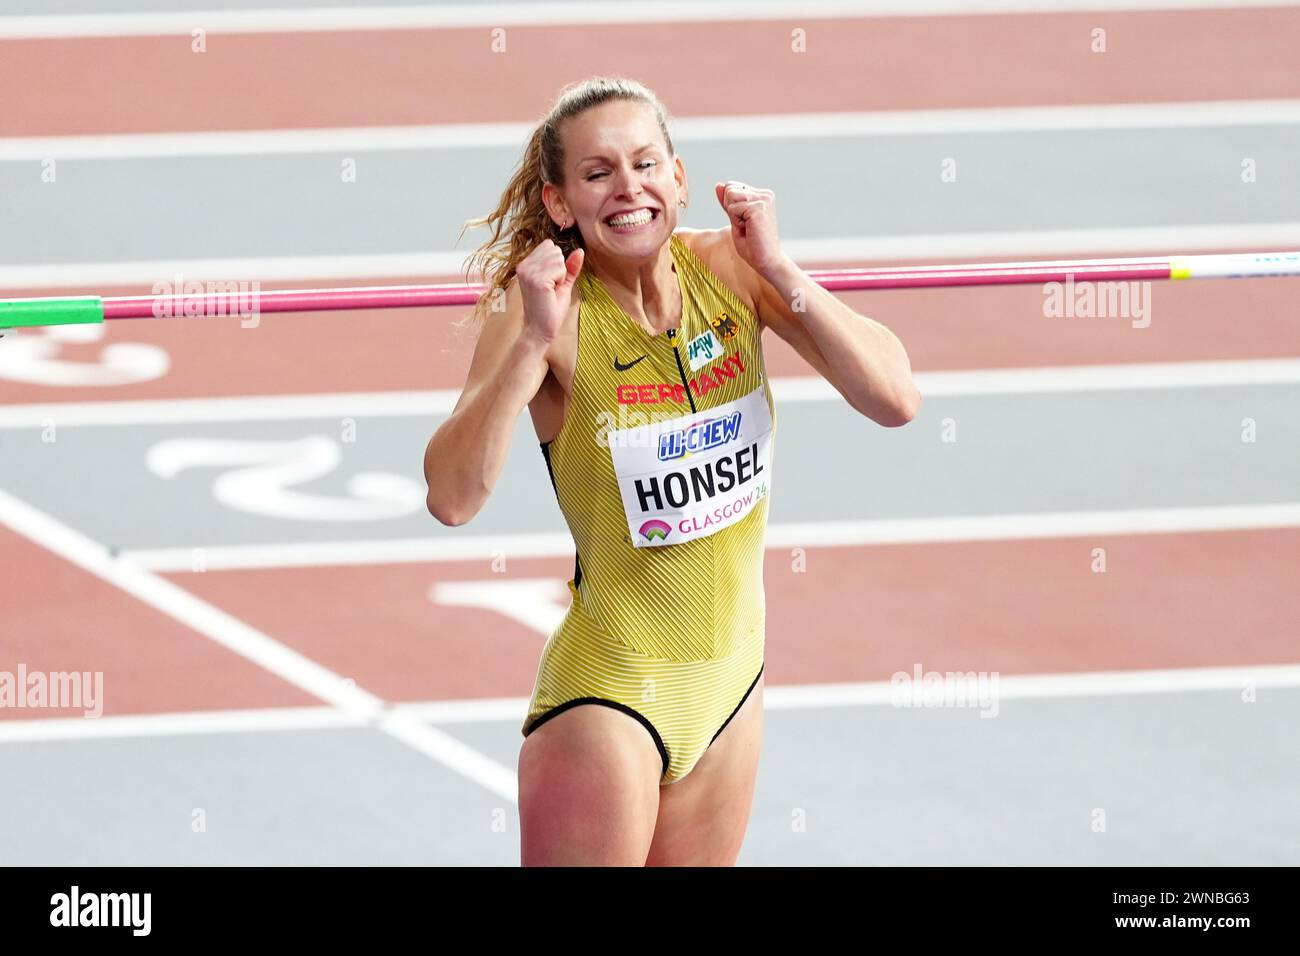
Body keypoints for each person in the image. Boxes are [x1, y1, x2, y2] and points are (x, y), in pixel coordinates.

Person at [423, 76, 920, 866]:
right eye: (597, 173)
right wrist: (528, 347)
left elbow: (894, 398)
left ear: (679, 179)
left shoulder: (733, 269)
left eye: (646, 164)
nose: (629, 188)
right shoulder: (546, 311)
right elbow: (450, 497)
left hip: (732, 688)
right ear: (559, 203)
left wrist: (785, 270)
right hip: (610, 702)